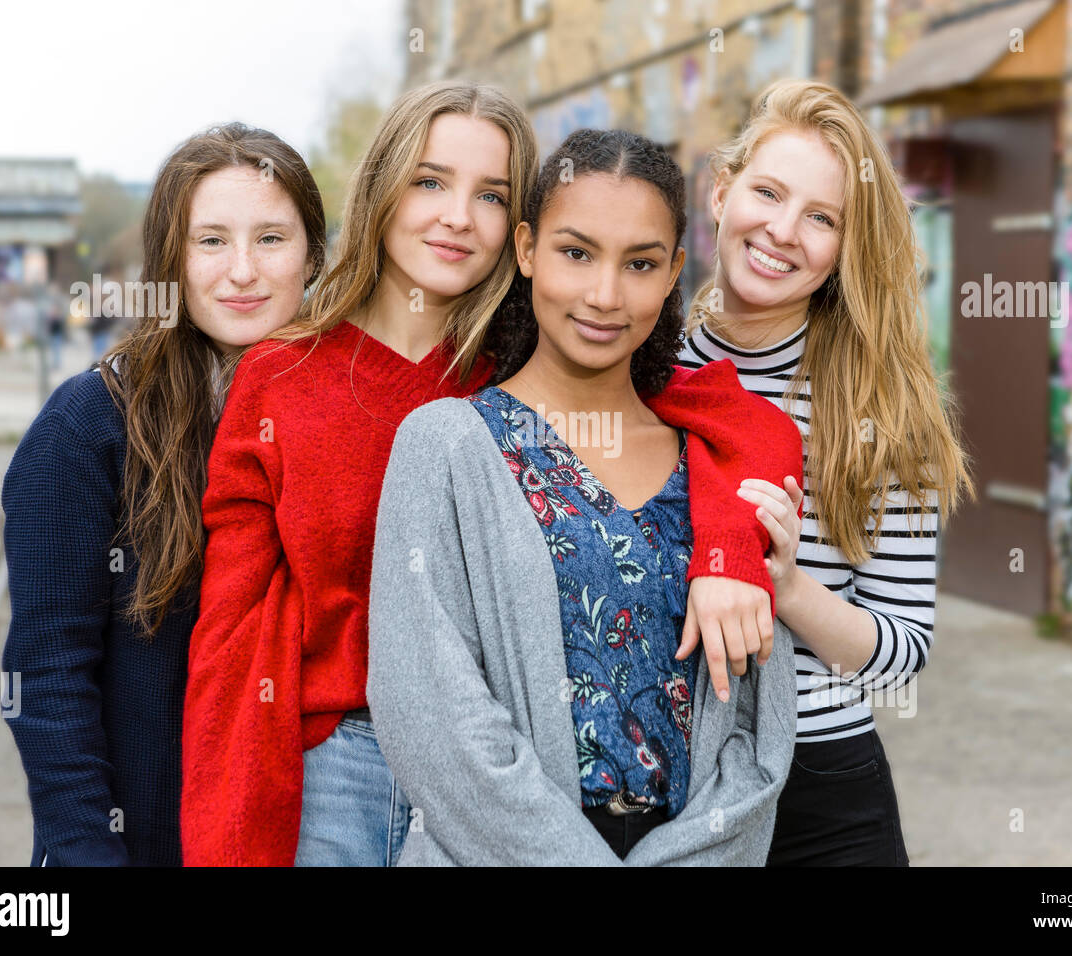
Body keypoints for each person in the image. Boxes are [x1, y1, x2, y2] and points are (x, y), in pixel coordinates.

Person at [182, 84, 794, 867]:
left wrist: (728, 555)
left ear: (519, 228)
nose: (457, 217)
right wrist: (227, 842)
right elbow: (230, 636)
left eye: (491, 195)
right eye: (430, 181)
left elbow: (743, 425)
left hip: (513, 769)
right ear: (383, 188)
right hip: (342, 767)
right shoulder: (283, 377)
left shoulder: (531, 362)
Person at [366, 128, 804, 865]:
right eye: (576, 253)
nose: (605, 295)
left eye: (640, 264)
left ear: (673, 273)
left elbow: (756, 725)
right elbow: (429, 713)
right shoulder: (445, 446)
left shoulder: (714, 470)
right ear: (527, 249)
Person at [1, 123, 325, 866]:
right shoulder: (89, 425)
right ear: (170, 259)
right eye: (211, 241)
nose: (242, 270)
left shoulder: (342, 418)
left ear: (313, 255)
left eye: (271, 238)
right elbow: (46, 677)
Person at [678, 78, 975, 866]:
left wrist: (788, 587)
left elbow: (902, 651)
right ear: (720, 193)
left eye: (822, 218)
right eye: (768, 193)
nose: (782, 231)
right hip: (670, 785)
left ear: (845, 247)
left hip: (824, 788)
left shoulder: (883, 409)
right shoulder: (638, 373)